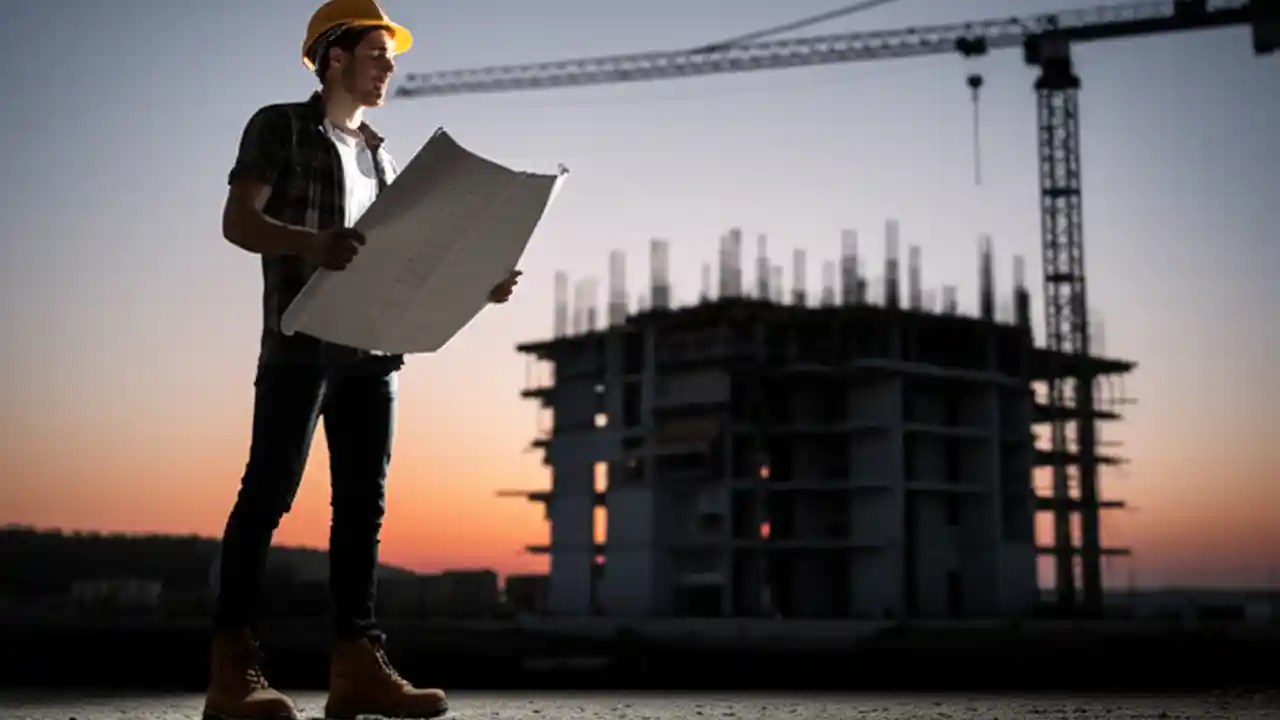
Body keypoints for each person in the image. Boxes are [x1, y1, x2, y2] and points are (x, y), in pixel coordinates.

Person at [203, 1, 519, 718]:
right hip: (301, 344)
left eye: (392, 58)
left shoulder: (384, 155)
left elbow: (408, 262)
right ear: (335, 56)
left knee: (362, 510)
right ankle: (231, 671)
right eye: (378, 53)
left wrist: (481, 284)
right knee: (268, 495)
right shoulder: (279, 126)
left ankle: (357, 666)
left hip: (372, 351)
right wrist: (310, 244)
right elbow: (238, 221)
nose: (390, 68)